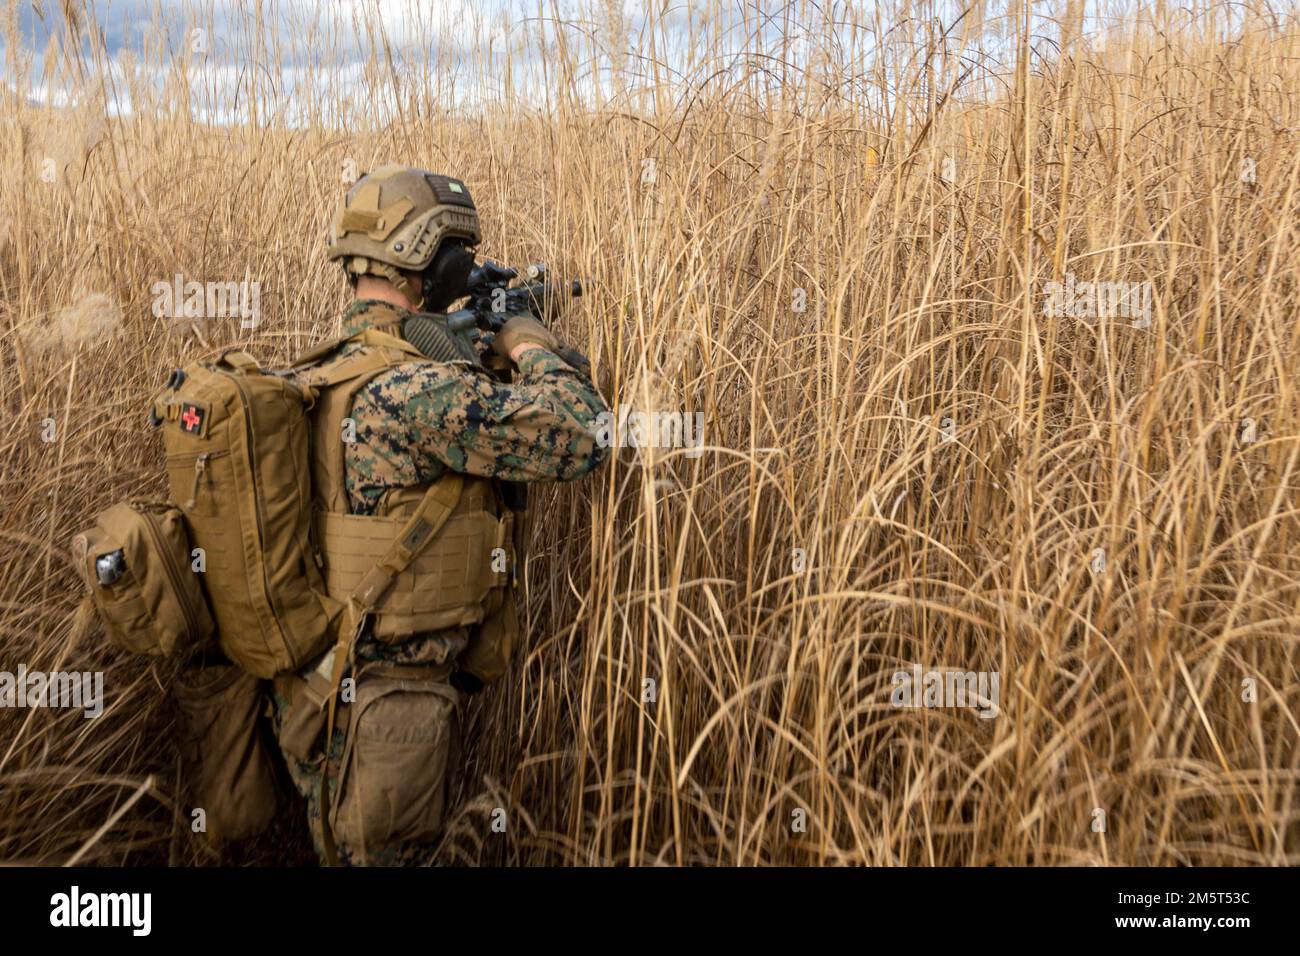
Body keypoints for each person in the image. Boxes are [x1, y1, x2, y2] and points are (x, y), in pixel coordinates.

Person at [269, 165, 608, 865]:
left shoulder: (321, 372)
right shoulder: (418, 391)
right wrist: (525, 340)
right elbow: (584, 433)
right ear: (427, 260)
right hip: (393, 719)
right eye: (460, 260)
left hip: (314, 692)